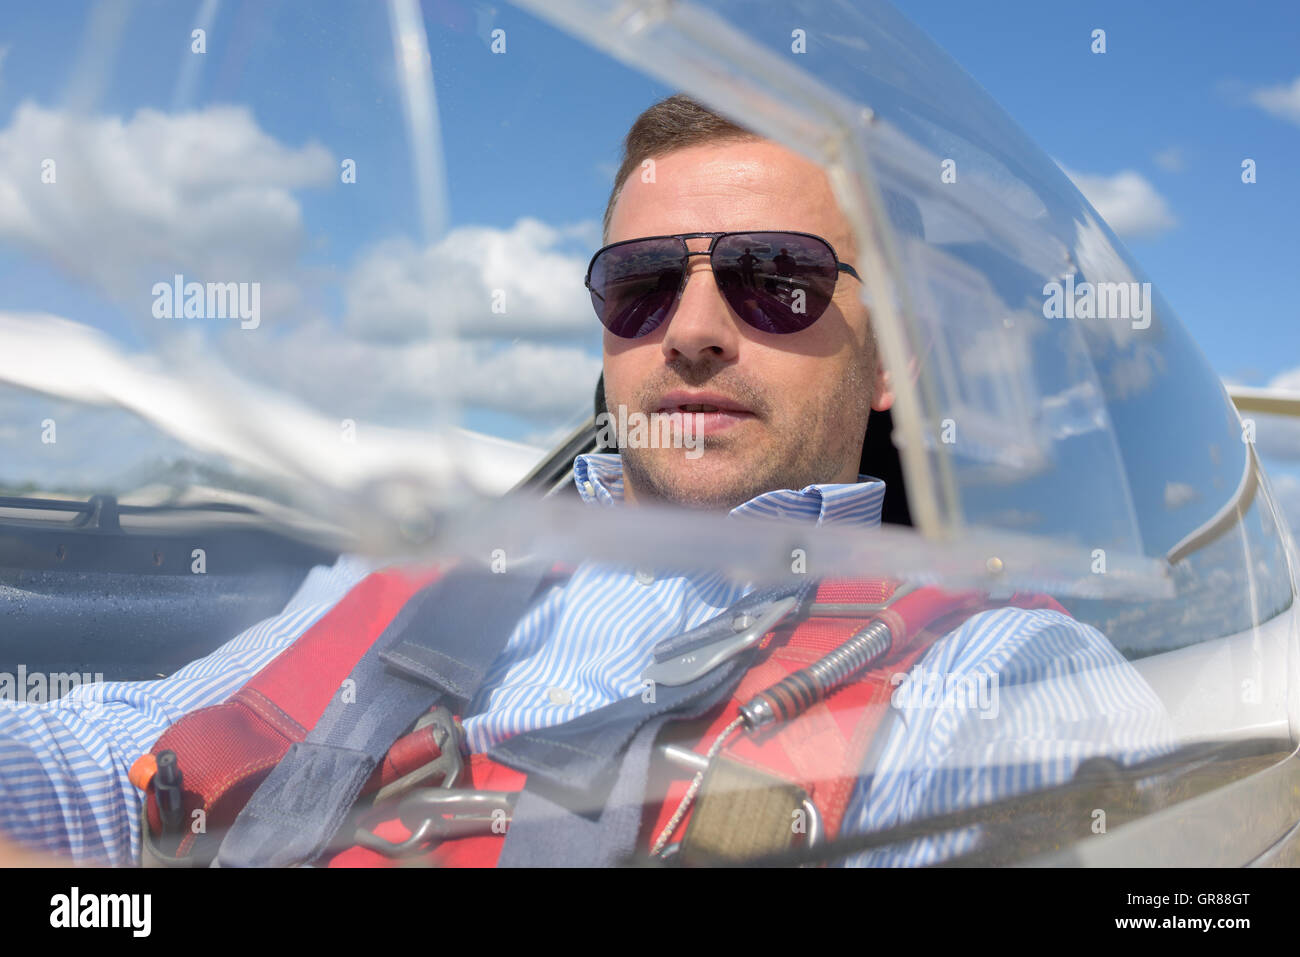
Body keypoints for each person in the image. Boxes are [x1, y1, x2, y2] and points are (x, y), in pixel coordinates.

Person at [0, 95, 1175, 867]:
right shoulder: (412, 570)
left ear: (893, 366)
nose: (692, 332)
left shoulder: (1001, 679)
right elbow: (111, 770)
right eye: (642, 285)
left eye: (777, 278)